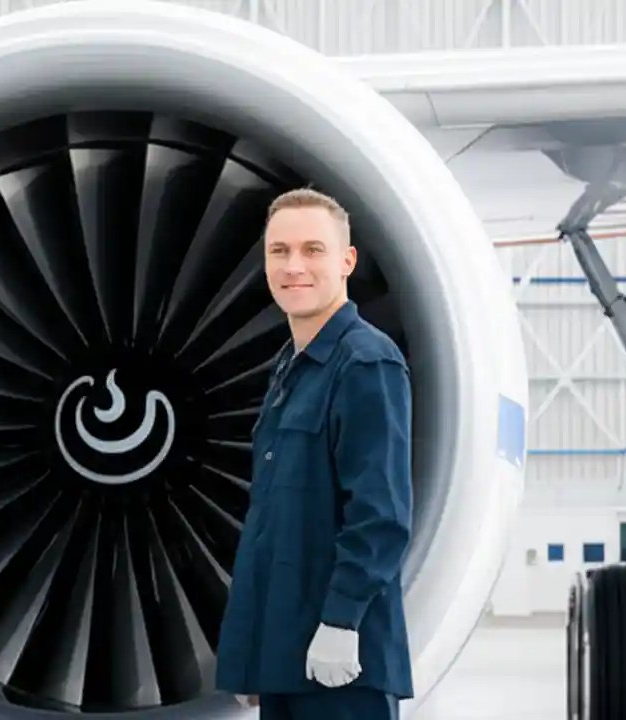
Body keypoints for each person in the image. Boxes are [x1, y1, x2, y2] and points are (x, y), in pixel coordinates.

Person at [214, 188, 414, 719]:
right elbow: (272, 529)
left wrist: (342, 622)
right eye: (279, 252)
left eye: (312, 249)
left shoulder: (367, 363)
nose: (293, 266)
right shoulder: (291, 371)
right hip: (287, 662)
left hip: (340, 665)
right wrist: (252, 652)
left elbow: (381, 515)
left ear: (346, 260)